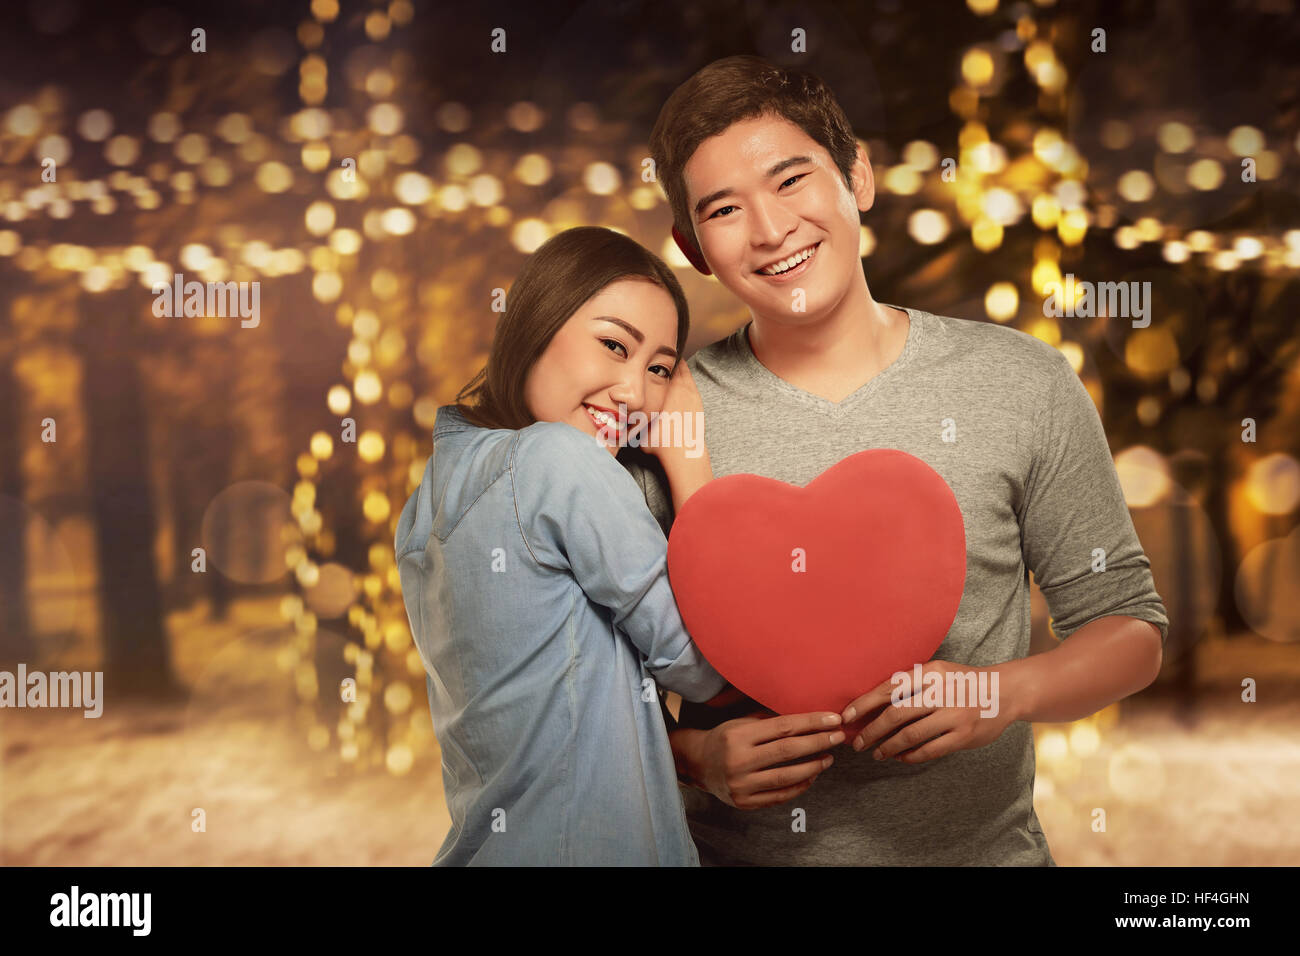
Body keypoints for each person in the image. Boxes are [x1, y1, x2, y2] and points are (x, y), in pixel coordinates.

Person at [620, 55, 1170, 865]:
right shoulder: (659, 412)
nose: (770, 230)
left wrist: (1001, 693)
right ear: (691, 245)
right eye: (725, 209)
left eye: (791, 181)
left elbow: (1131, 630)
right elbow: (584, 681)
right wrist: (692, 759)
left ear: (859, 178)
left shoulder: (1022, 382)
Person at [393, 225, 845, 865]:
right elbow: (714, 666)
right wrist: (689, 457)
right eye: (613, 345)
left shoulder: (427, 501)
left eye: (659, 368)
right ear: (536, 324)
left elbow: (557, 705)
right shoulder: (559, 459)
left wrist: (686, 754)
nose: (635, 393)